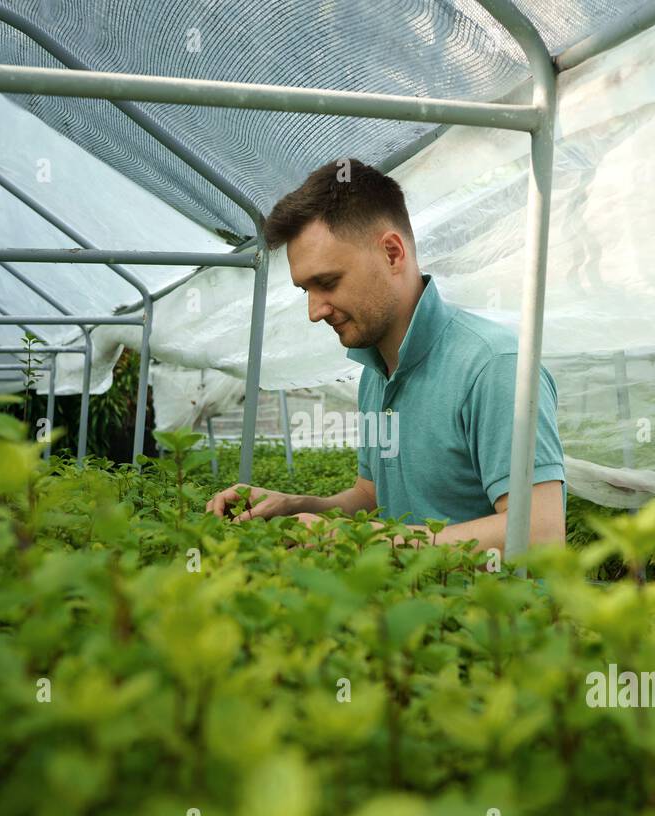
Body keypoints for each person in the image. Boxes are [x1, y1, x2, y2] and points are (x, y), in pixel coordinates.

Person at [205, 158, 566, 552]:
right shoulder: (375, 374)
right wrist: (297, 506)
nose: (314, 311)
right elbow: (371, 496)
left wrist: (356, 541)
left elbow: (539, 536)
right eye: (305, 290)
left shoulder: (493, 366)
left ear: (392, 254)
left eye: (327, 282)